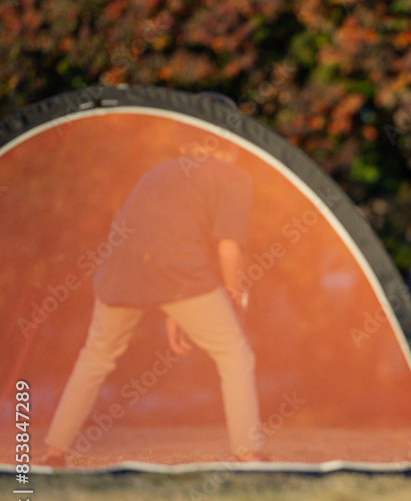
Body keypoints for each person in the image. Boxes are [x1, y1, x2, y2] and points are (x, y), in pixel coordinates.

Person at [40, 93, 267, 465]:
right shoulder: (234, 178)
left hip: (117, 271)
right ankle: (249, 453)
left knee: (95, 356)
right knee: (235, 354)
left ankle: (54, 451)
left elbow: (153, 238)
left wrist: (173, 312)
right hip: (179, 275)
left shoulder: (157, 173)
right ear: (232, 137)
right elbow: (227, 250)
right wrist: (237, 296)